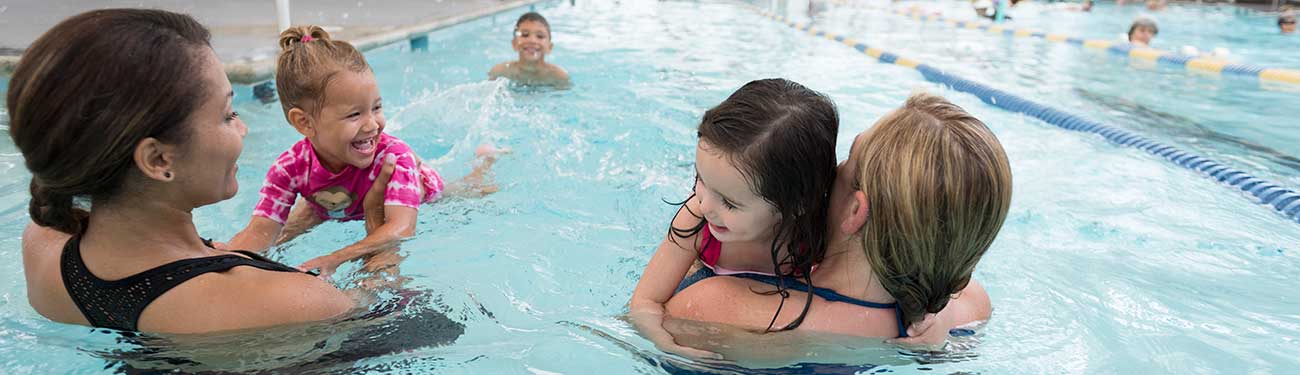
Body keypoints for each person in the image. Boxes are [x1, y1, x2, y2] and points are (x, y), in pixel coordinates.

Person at [11, 9, 355, 333]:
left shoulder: (43, 245)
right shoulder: (302, 303)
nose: (243, 128)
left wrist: (298, 222)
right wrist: (381, 245)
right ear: (158, 159)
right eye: (227, 114)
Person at [665, 93, 1012, 349]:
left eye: (848, 158)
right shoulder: (965, 311)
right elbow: (960, 291)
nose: (834, 171)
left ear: (855, 212)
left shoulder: (713, 306)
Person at [225, 26, 500, 278]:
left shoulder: (393, 156)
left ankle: (485, 162)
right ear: (304, 122)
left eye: (377, 108)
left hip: (420, 193)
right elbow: (259, 232)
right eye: (355, 114)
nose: (373, 124)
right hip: (334, 201)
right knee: (285, 234)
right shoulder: (289, 168)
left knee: (468, 191)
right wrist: (214, 260)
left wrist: (337, 256)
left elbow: (401, 229)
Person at [628, 79, 841, 359]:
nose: (705, 205)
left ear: (797, 204)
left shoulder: (821, 232)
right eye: (700, 179)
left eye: (729, 202)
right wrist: (666, 344)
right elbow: (644, 303)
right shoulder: (695, 221)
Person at [488, 12, 571, 88]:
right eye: (525, 35)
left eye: (540, 36)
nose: (532, 40)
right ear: (514, 44)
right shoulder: (501, 72)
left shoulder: (558, 76)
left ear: (550, 47)